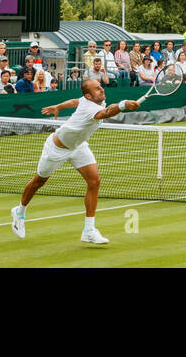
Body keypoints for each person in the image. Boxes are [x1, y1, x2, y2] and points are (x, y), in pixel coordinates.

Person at [11, 80, 140, 244]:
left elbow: (74, 101)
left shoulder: (90, 100)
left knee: (94, 181)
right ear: (88, 95)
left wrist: (58, 106)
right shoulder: (91, 108)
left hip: (78, 147)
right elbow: (106, 112)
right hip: (56, 149)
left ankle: (89, 230)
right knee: (38, 182)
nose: (101, 89)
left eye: (100, 86)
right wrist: (123, 104)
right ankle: (19, 211)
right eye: (97, 88)